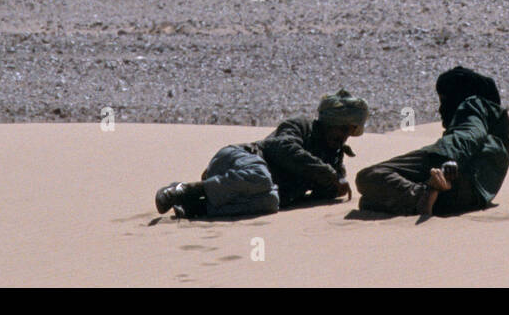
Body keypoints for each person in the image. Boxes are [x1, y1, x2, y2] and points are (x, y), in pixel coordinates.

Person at [155, 89, 368, 218]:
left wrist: (335, 183)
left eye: (349, 131)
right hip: (238, 158)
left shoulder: (333, 154)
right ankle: (183, 189)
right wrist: (328, 174)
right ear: (329, 123)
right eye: (341, 128)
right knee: (260, 177)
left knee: (270, 202)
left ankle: (195, 208)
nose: (344, 136)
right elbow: (283, 148)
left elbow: (329, 186)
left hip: (253, 187)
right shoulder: (301, 126)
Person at [355, 66, 509, 217]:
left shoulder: (474, 104)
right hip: (471, 197)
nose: (441, 109)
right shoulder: (497, 123)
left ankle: (422, 195)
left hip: (447, 161)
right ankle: (428, 192)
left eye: (444, 99)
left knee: (369, 176)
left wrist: (451, 159)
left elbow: (471, 134)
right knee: (368, 202)